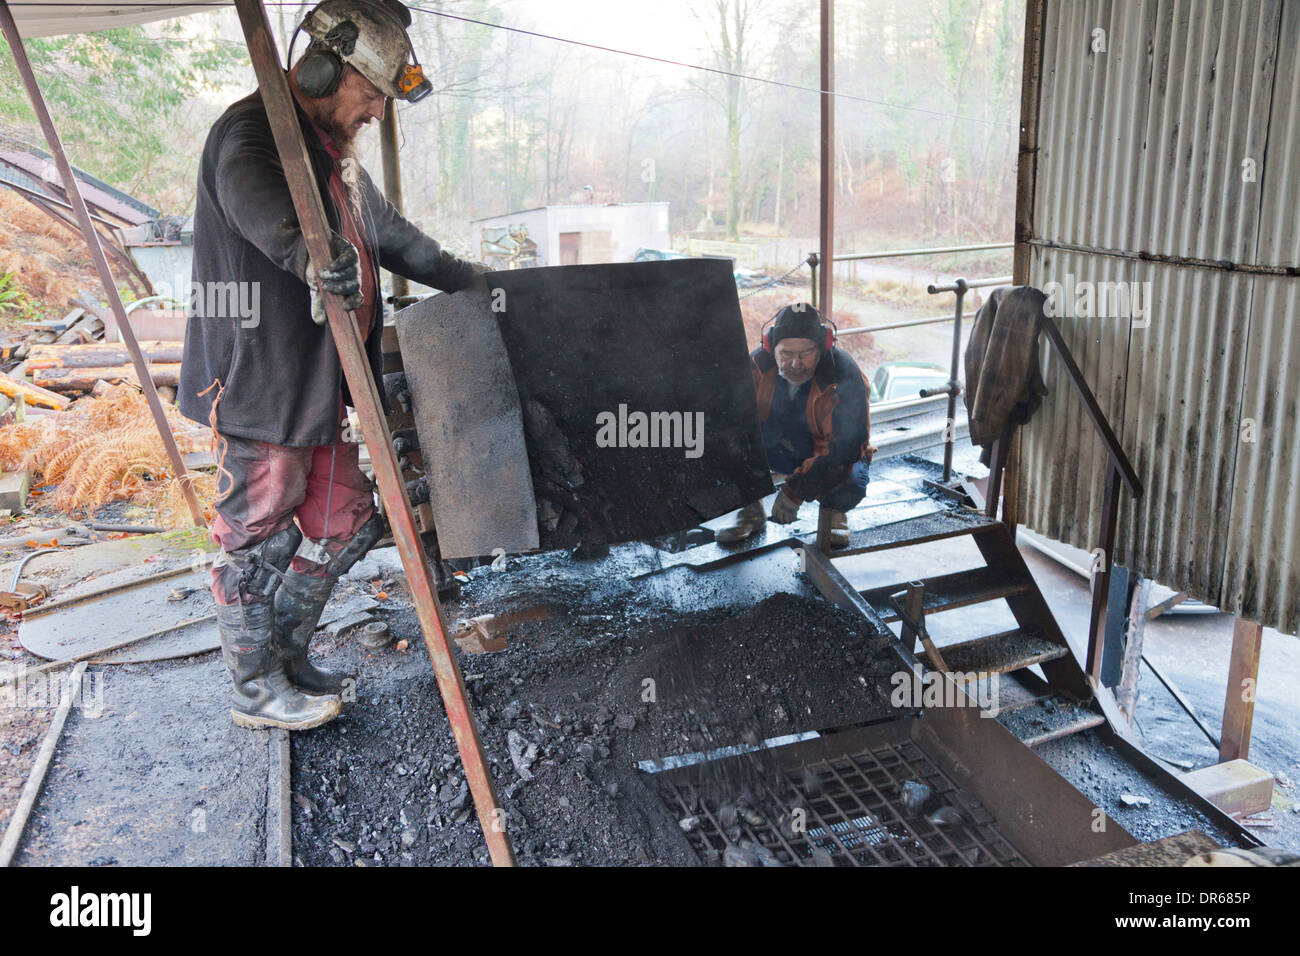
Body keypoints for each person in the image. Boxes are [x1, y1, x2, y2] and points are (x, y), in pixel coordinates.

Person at [179, 0, 485, 731]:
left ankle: (284, 654)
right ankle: (254, 690)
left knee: (344, 521)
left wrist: (483, 283)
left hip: (325, 384)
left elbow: (402, 241)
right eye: (372, 91)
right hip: (260, 381)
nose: (377, 109)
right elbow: (267, 216)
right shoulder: (251, 135)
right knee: (256, 534)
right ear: (323, 68)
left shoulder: (333, 155)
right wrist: (314, 259)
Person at [718, 303, 873, 548]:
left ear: (823, 347)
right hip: (780, 446)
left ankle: (834, 515)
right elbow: (734, 422)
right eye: (786, 354)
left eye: (805, 354)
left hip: (826, 454)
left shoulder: (843, 372)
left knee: (852, 478)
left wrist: (794, 493)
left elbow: (848, 447)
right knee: (729, 445)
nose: (795, 364)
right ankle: (751, 512)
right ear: (770, 347)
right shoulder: (757, 365)